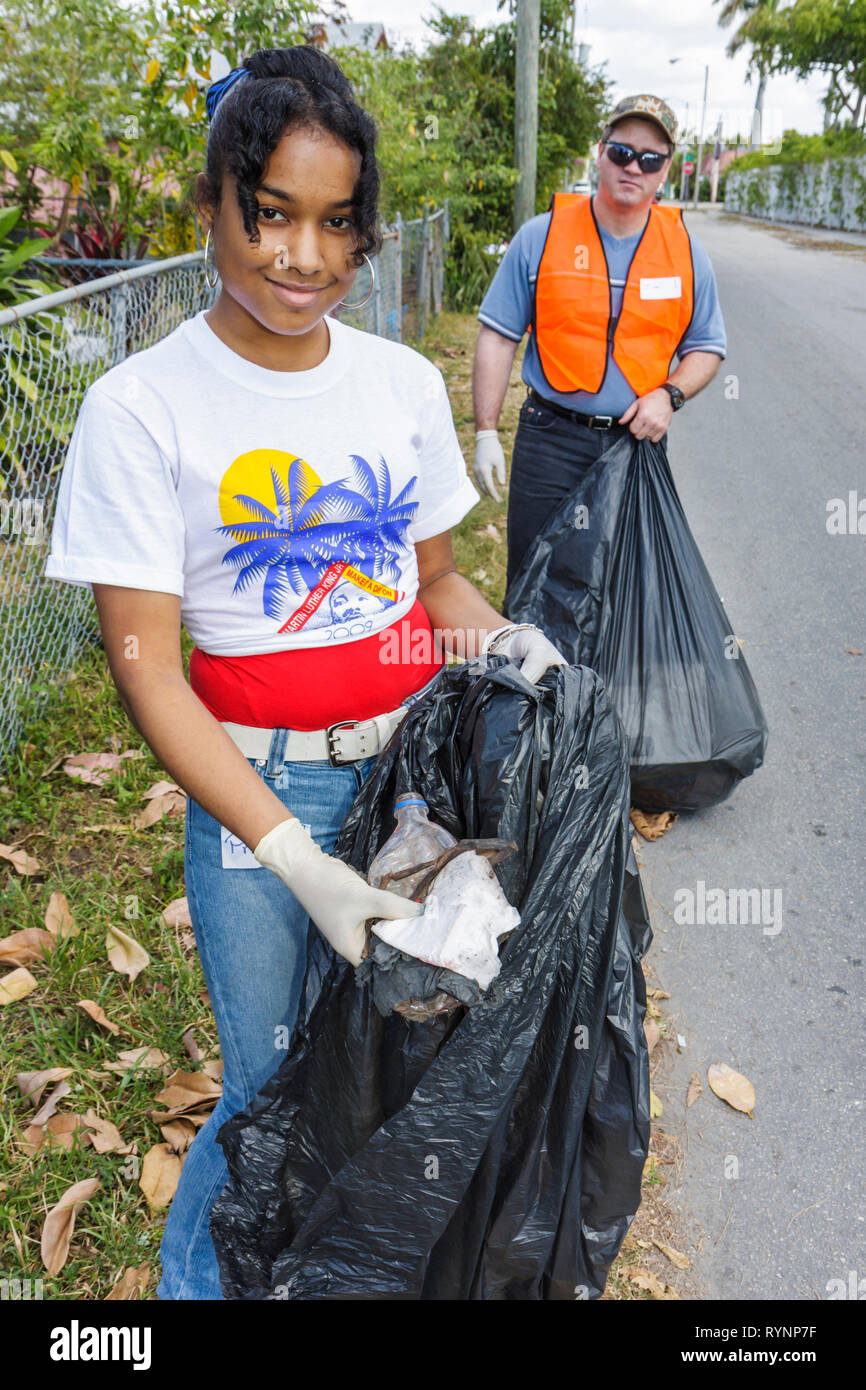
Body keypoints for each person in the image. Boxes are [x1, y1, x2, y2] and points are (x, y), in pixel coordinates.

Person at [44, 44, 566, 1301]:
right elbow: (150, 672)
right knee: (271, 1082)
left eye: (336, 225)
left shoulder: (392, 382)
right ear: (214, 203)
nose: (303, 259)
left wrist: (512, 646)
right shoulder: (142, 408)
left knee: (390, 1070)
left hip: (413, 781)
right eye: (270, 214)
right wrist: (295, 858)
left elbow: (431, 588)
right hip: (260, 809)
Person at [472, 94, 727, 588]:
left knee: (620, 588)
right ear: (600, 151)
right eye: (622, 152)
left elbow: (707, 345)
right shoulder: (540, 237)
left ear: (666, 169)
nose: (634, 166)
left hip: (634, 446)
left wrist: (669, 394)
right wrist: (485, 431)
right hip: (550, 439)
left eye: (650, 159)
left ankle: (604, 671)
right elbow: (498, 337)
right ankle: (536, 669)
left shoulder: (686, 253)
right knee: (533, 580)